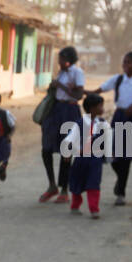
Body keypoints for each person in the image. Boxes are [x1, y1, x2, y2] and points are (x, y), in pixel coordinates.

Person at [94, 51, 132, 206]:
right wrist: (80, 92)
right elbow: (99, 90)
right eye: (124, 62)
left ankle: (121, 192)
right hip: (119, 116)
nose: (125, 65)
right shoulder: (118, 79)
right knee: (112, 154)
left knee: (126, 157)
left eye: (128, 62)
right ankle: (120, 179)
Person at [40, 46, 85, 203]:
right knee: (46, 148)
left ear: (69, 59)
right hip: (56, 110)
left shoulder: (77, 72)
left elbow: (79, 95)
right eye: (59, 58)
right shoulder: (61, 72)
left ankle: (64, 190)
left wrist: (61, 86)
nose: (59, 61)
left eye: (62, 58)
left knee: (66, 150)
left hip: (70, 110)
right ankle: (52, 185)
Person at [63, 93, 108, 218]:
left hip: (95, 159)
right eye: (100, 106)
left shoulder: (102, 123)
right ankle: (75, 205)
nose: (102, 108)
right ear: (92, 108)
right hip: (81, 158)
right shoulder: (80, 123)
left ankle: (94, 209)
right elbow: (70, 138)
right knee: (77, 182)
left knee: (94, 183)